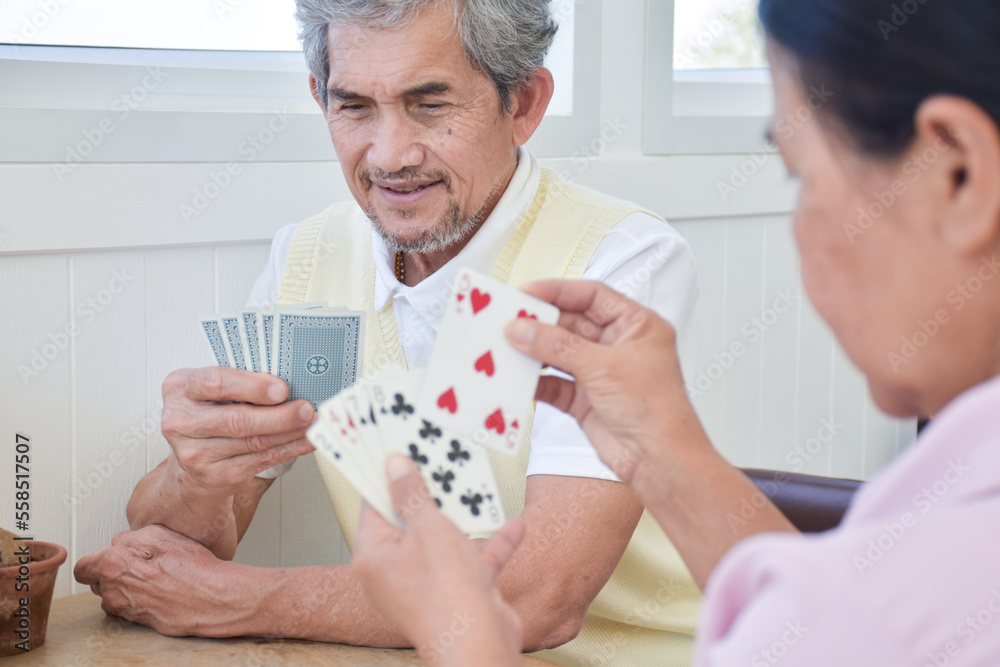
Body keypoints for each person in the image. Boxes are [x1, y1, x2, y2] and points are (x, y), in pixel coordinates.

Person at [351, 0, 1000, 664]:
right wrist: (658, 445)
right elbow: (814, 626)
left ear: (961, 176)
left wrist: (464, 635)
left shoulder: (937, 576)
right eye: (353, 106)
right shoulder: (936, 522)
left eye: (801, 176)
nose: (391, 153)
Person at [73, 1, 702, 665]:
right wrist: (195, 474)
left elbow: (536, 596)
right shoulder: (308, 258)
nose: (390, 155)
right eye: (354, 107)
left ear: (523, 103)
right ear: (321, 100)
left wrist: (238, 598)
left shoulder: (621, 261)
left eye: (429, 105)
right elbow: (169, 554)